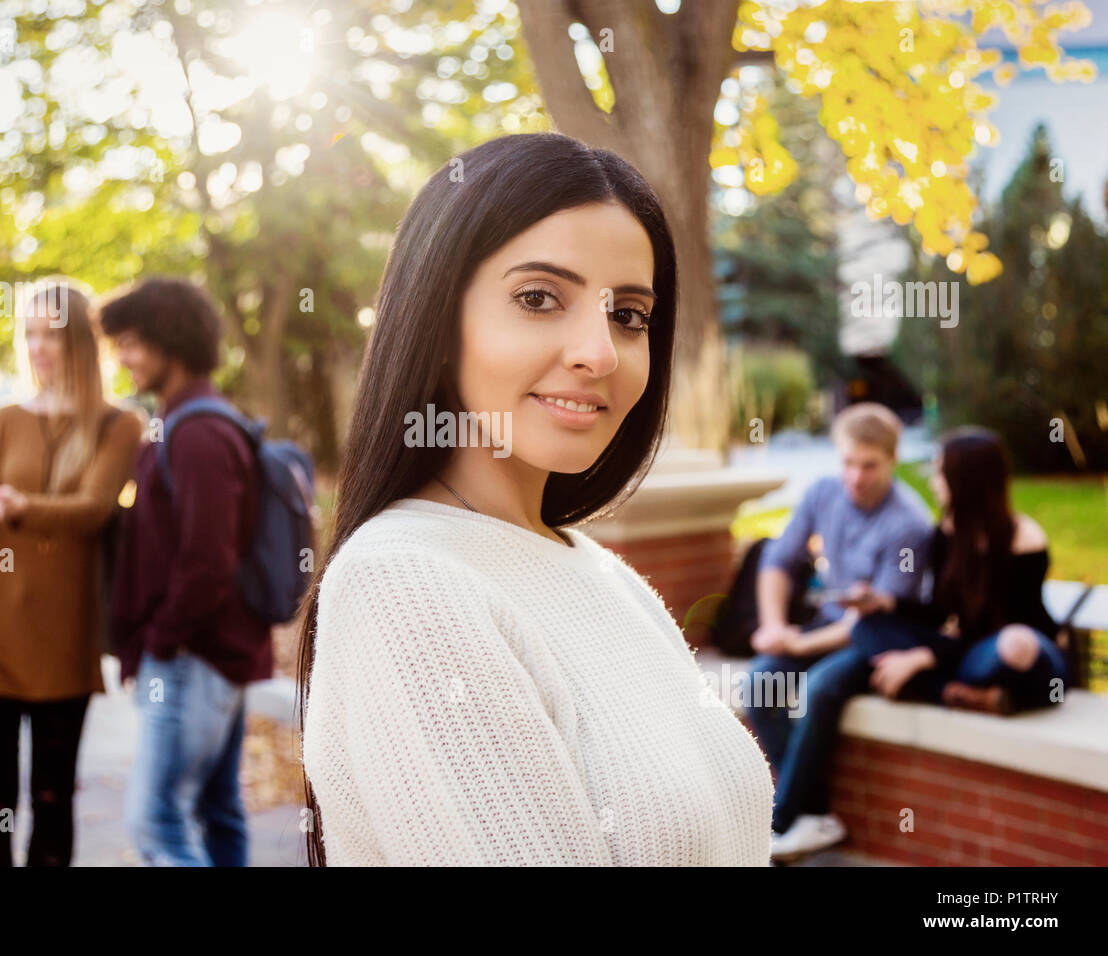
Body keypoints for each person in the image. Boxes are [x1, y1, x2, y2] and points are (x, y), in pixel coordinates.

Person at [299, 132, 775, 866]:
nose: (600, 352)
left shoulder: (604, 575)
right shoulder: (406, 581)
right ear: (436, 313)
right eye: (539, 298)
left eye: (629, 315)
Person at [0, 280, 143, 866]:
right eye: (31, 334)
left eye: (54, 335)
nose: (40, 347)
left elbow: (92, 510)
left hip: (64, 642)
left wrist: (18, 506)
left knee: (51, 801)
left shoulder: (119, 424)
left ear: (82, 344)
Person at [100, 277, 271, 867]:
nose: (121, 357)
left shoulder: (198, 433)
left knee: (155, 823)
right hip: (207, 656)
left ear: (169, 342)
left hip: (191, 660)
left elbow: (208, 561)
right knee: (218, 814)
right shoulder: (187, 421)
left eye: (131, 343)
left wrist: (160, 641)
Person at [739, 402, 935, 862]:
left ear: (893, 459)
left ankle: (782, 823)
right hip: (827, 627)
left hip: (884, 637)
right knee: (761, 682)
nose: (856, 476)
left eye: (869, 466)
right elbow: (777, 561)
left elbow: (864, 624)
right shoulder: (823, 492)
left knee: (818, 688)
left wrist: (799, 643)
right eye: (848, 462)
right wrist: (772, 626)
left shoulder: (909, 523)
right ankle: (814, 814)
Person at [850, 427, 1070, 716]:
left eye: (940, 473)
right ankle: (959, 694)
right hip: (962, 653)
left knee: (1015, 644)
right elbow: (943, 613)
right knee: (869, 627)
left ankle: (933, 687)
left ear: (966, 480)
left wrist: (923, 657)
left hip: (1019, 656)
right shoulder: (948, 532)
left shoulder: (1023, 538)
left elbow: (1005, 626)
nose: (933, 482)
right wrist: (885, 602)